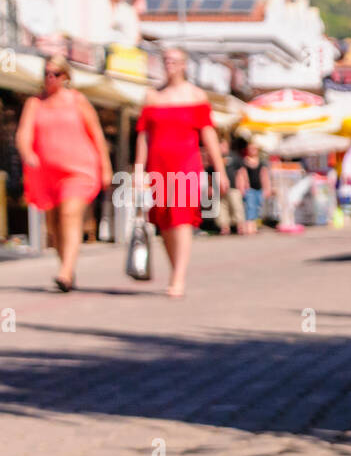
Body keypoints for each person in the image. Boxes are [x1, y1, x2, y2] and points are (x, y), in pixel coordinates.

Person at [134, 46, 228, 298]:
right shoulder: (152, 96)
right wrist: (139, 169)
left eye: (174, 60)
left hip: (186, 164)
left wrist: (219, 170)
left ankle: (178, 277)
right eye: (166, 60)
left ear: (185, 64)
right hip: (158, 165)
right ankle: (176, 269)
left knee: (181, 216)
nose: (169, 64)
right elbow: (143, 136)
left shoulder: (196, 96)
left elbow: (209, 134)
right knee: (164, 219)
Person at [16, 54, 111, 292]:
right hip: (46, 174)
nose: (50, 78)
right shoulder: (34, 103)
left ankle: (66, 272)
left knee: (69, 214)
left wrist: (106, 167)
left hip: (79, 170)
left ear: (66, 76)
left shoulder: (78, 101)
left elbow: (97, 135)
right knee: (54, 224)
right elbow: (23, 134)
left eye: (55, 73)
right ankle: (66, 268)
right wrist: (27, 153)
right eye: (46, 73)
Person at [236, 140, 271, 236]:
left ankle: (254, 226)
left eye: (254, 149)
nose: (253, 150)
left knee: (256, 207)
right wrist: (242, 187)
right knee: (250, 207)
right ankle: (249, 227)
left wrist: (267, 188)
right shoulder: (244, 162)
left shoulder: (262, 162)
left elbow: (265, 176)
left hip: (259, 188)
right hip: (249, 189)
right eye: (251, 149)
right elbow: (241, 175)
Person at [216, 138, 245, 235]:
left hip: (233, 187)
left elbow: (240, 172)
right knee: (221, 209)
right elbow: (209, 173)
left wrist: (242, 185)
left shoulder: (234, 156)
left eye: (223, 145)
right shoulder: (215, 157)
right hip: (219, 189)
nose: (221, 147)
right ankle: (225, 228)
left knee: (236, 207)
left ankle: (240, 227)